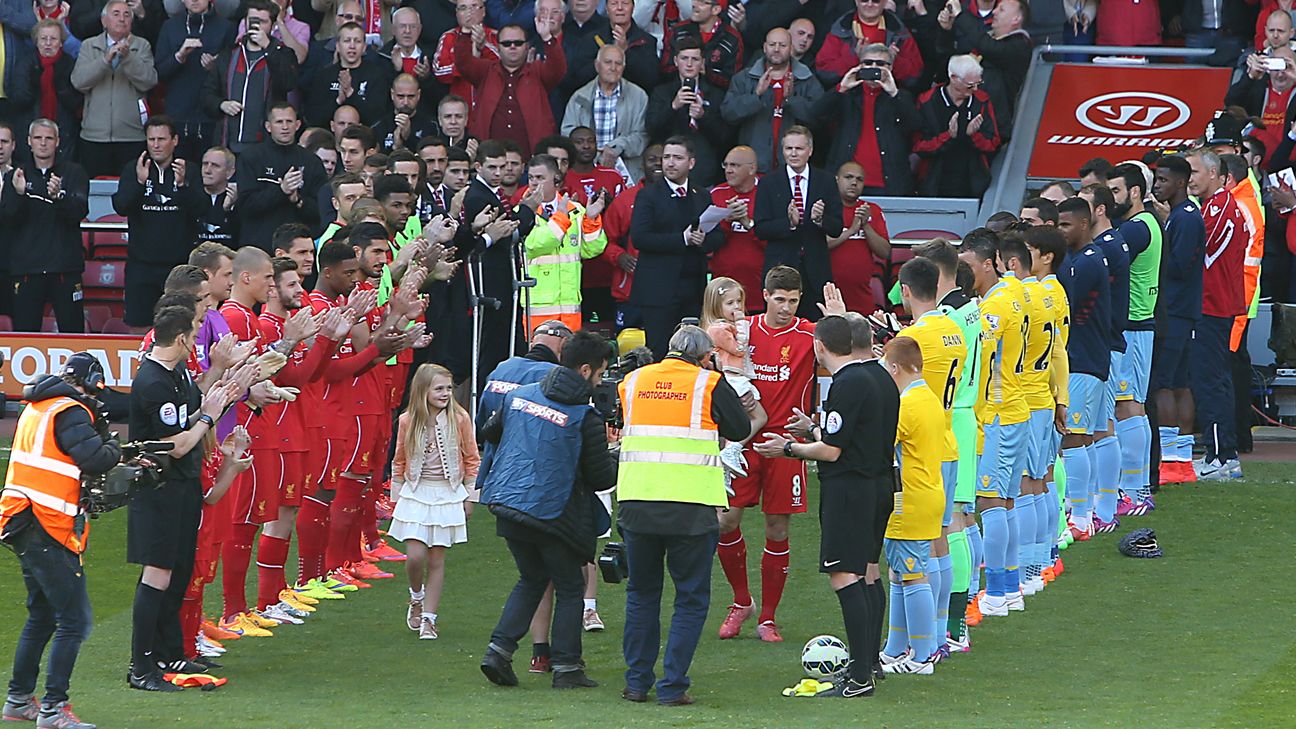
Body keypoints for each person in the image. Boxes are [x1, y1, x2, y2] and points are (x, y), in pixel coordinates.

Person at [753, 315, 900, 696]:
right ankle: (868, 663)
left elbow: (832, 451)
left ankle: (859, 678)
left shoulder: (847, 383)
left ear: (819, 346)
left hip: (850, 491)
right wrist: (814, 429)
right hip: (879, 485)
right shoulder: (880, 376)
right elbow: (853, 435)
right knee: (868, 571)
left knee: (844, 575)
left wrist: (787, 448)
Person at [617, 325, 752, 705]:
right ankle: (673, 686)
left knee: (641, 594)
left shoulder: (633, 380)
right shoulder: (708, 383)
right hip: (690, 508)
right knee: (690, 599)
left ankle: (636, 682)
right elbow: (739, 427)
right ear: (705, 355)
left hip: (637, 501)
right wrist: (719, 374)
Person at [477, 331, 617, 690]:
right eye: (600, 374)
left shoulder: (520, 395)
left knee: (532, 578)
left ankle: (499, 651)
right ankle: (568, 668)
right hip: (551, 511)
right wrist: (618, 456)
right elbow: (601, 478)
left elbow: (490, 431)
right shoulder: (584, 416)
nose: (601, 382)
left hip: (508, 502)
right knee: (571, 585)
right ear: (585, 370)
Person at [1, 354, 121, 728]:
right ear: (90, 383)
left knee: (42, 614)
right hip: (45, 522)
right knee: (74, 620)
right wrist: (113, 444)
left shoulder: (40, 405)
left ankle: (19, 700)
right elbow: (96, 458)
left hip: (22, 517)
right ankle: (54, 709)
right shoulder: (70, 411)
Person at [127, 304, 240, 691]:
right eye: (193, 335)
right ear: (180, 338)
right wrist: (209, 416)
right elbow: (173, 445)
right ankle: (140, 667)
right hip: (157, 490)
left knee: (176, 571)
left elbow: (185, 423)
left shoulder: (175, 376)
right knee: (157, 573)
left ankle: (169, 652)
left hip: (180, 487)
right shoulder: (153, 382)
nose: (196, 343)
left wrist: (212, 406)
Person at [714, 266, 817, 643]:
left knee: (777, 527)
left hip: (786, 445)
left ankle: (768, 618)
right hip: (742, 442)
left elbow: (848, 355)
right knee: (726, 521)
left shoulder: (809, 335)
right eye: (779, 299)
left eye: (793, 300)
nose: (786, 307)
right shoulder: (742, 331)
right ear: (765, 296)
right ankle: (741, 601)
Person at [891, 258, 966, 663]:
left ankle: (925, 643)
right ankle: (939, 635)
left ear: (905, 291)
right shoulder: (954, 328)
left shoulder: (915, 336)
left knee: (916, 550)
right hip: (950, 439)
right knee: (940, 541)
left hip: (920, 450)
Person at [958, 228, 1030, 618]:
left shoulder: (994, 306)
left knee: (990, 501)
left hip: (999, 412)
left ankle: (1000, 591)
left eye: (967, 266)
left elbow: (975, 347)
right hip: (1014, 407)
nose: (962, 274)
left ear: (989, 263)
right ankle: (1010, 587)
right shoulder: (1014, 291)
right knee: (1005, 499)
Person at [391, 364, 479, 640]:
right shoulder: (408, 420)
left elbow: (472, 459)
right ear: (423, 390)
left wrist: (469, 496)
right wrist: (396, 494)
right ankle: (416, 596)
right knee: (415, 556)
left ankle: (429, 618)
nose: (445, 394)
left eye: (448, 389)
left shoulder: (460, 418)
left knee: (437, 558)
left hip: (447, 493)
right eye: (439, 388)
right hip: (417, 492)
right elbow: (399, 459)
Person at [627, 136, 724, 359]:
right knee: (660, 351)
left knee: (693, 351)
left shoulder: (701, 195)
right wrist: (681, 239)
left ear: (691, 163)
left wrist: (703, 241)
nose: (670, 163)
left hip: (693, 288)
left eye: (677, 158)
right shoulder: (648, 194)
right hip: (659, 290)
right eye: (667, 157)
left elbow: (717, 236)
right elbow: (640, 237)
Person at [1187, 148, 1248, 478]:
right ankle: (1223, 453)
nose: (1190, 178)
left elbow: (1203, 254)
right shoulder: (1218, 206)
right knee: (1217, 380)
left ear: (1213, 173)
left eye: (1194, 171)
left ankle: (1220, 457)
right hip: (1218, 303)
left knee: (1210, 380)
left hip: (1212, 305)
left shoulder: (1219, 208)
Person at [113, 116, 205, 332]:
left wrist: (183, 187)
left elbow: (202, 210)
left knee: (182, 327)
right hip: (141, 265)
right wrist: (139, 183)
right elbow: (120, 206)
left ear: (175, 140)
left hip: (178, 267)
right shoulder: (134, 169)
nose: (156, 144)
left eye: (161, 139)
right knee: (139, 326)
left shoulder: (189, 170)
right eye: (151, 139)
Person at [1055, 195, 1112, 542]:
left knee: (1074, 439)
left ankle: (1081, 515)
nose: (1061, 231)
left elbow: (1070, 313)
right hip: (1087, 361)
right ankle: (1084, 509)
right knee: (1083, 439)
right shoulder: (1079, 259)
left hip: (1083, 361)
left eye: (1065, 225)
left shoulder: (1087, 263)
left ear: (1083, 223)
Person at [0, 119, 89, 333]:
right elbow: (8, 218)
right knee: (25, 334)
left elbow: (80, 212)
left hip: (65, 269)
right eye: (38, 138)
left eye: (48, 138)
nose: (43, 143)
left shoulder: (74, 173)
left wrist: (59, 197)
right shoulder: (16, 175)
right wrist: (19, 195)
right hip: (27, 270)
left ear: (57, 142)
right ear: (29, 141)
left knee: (72, 333)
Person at [1106, 162, 1161, 510]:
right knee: (1130, 406)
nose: (1112, 198)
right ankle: (1136, 488)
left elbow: (1107, 259)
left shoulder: (1136, 230)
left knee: (1129, 406)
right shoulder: (1145, 224)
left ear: (1135, 192)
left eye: (1116, 191)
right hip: (1137, 325)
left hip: (1134, 325)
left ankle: (1136, 490)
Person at [1077, 184, 1130, 533]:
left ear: (1096, 212)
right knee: (1098, 427)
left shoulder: (1104, 250)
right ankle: (1102, 508)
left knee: (1099, 427)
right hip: (1105, 346)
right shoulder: (1105, 248)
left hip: (1104, 346)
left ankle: (1104, 507)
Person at [1149, 155, 1204, 484]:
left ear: (1181, 183)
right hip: (1184, 311)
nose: (1158, 185)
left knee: (1164, 385)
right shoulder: (1182, 216)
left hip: (1174, 311)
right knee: (1181, 383)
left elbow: (1179, 267)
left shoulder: (1184, 219)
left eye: (1163, 180)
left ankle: (1170, 459)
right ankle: (1182, 461)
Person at [753, 125, 843, 320]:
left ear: (810, 151)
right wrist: (789, 224)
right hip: (780, 269)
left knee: (816, 329)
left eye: (799, 149)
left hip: (816, 272)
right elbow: (760, 228)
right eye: (788, 149)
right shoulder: (769, 182)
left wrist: (820, 220)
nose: (793, 153)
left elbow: (836, 226)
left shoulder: (826, 181)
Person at [814, 44, 920, 196]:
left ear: (890, 68)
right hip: (848, 184)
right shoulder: (847, 95)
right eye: (868, 63)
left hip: (889, 183)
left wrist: (894, 93)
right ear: (859, 65)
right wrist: (841, 88)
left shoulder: (900, 96)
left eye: (881, 64)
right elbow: (815, 115)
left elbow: (915, 125)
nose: (874, 68)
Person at [69, 0, 157, 177]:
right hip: (95, 136)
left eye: (126, 15)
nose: (122, 19)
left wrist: (128, 58)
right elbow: (79, 82)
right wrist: (105, 60)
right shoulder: (89, 45)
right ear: (104, 21)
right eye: (116, 14)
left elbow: (149, 81)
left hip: (131, 135)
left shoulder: (142, 46)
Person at [521, 153, 608, 333]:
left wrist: (591, 220)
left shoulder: (575, 210)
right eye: (531, 178)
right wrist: (561, 219)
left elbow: (591, 250)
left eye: (540, 178)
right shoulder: (522, 212)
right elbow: (532, 246)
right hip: (538, 308)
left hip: (569, 307)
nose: (534, 183)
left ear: (556, 180)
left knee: (569, 359)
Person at [455, 16, 565, 155]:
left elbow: (558, 69)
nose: (512, 47)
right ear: (498, 47)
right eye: (506, 44)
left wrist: (547, 38)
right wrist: (465, 32)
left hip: (532, 157)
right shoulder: (485, 70)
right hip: (490, 157)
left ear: (527, 46)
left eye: (518, 43)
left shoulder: (537, 72)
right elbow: (463, 63)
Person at [201, 0, 300, 154]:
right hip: (228, 143)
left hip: (264, 146)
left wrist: (268, 47)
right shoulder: (229, 53)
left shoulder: (283, 53)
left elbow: (288, 83)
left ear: (273, 25)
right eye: (252, 20)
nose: (256, 25)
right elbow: (207, 93)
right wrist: (221, 104)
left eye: (262, 21)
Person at [721, 28, 822, 175]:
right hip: (754, 168)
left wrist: (790, 99)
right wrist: (756, 95)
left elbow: (819, 117)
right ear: (764, 47)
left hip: (793, 169)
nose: (776, 49)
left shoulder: (806, 79)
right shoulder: (744, 78)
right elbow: (728, 113)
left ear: (791, 48)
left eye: (782, 45)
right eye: (772, 44)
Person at [701, 277, 769, 476]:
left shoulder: (721, 327)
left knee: (746, 417)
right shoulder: (718, 329)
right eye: (730, 303)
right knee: (760, 416)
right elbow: (739, 348)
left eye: (739, 301)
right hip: (732, 379)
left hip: (736, 378)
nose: (737, 307)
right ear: (716, 305)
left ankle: (726, 468)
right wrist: (742, 323)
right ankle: (732, 449)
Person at [238, 102, 328, 251]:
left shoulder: (311, 161)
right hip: (259, 245)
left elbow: (321, 210)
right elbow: (246, 205)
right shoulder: (251, 157)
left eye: (289, 121)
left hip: (297, 248)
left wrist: (298, 200)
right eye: (279, 122)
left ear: (298, 124)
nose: (285, 127)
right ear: (268, 126)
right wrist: (281, 191)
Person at [154, 0, 236, 160]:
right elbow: (159, 73)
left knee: (210, 175)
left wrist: (216, 67)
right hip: (177, 116)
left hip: (211, 118)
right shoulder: (170, 26)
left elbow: (233, 75)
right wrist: (179, 57)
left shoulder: (226, 27)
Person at [914, 54, 1001, 198]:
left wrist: (973, 135)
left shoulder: (982, 100)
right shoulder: (927, 101)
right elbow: (919, 145)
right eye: (970, 85)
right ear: (953, 78)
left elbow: (994, 142)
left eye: (978, 83)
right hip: (935, 180)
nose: (975, 89)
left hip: (973, 180)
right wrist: (948, 136)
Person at [942, 0, 1032, 137]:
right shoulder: (989, 38)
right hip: (966, 115)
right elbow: (949, 60)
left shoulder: (1019, 45)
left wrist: (961, 16)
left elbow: (989, 48)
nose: (994, 12)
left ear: (1016, 19)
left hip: (993, 126)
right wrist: (946, 31)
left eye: (1001, 10)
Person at [646, 36, 727, 187]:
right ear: (676, 61)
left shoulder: (716, 94)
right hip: (671, 172)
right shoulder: (661, 92)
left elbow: (724, 137)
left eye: (695, 59)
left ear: (702, 62)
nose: (689, 64)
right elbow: (652, 129)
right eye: (684, 58)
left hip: (705, 171)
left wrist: (703, 116)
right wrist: (673, 107)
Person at [560, 45, 649, 183]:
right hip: (586, 171)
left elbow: (642, 136)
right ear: (597, 66)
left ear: (623, 68)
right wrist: (592, 153)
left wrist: (615, 148)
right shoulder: (579, 96)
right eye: (608, 62)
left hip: (627, 171)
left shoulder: (638, 96)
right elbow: (567, 133)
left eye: (618, 63)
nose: (613, 68)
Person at [829, 161, 891, 313]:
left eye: (859, 179)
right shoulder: (826, 207)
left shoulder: (872, 210)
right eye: (848, 177)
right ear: (837, 179)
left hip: (861, 295)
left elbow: (885, 252)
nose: (854, 183)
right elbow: (820, 244)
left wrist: (866, 225)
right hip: (829, 294)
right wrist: (850, 231)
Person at [818, 0, 922, 88]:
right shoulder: (841, 29)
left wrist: (894, 61)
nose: (870, 4)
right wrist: (854, 57)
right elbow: (824, 72)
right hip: (849, 97)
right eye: (864, 0)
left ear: (885, 2)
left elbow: (916, 75)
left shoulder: (899, 31)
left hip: (887, 98)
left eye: (876, 0)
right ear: (856, 1)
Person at [708, 146, 763, 307]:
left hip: (759, 286)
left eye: (735, 165)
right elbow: (706, 241)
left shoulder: (768, 192)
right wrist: (727, 221)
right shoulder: (716, 194)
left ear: (752, 168)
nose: (729, 170)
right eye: (726, 165)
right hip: (724, 286)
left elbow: (776, 239)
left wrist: (747, 223)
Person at [659, 0, 744, 90]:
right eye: (694, 0)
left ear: (715, 9)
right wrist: (685, 69)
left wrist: (707, 72)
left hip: (716, 99)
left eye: (702, 2)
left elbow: (733, 82)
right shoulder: (678, 31)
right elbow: (664, 70)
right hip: (676, 92)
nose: (694, 4)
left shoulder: (732, 38)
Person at [30, 19, 82, 163]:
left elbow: (76, 101)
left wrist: (61, 87)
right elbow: (19, 97)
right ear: (36, 42)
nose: (48, 43)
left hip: (65, 129)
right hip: (33, 125)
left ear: (61, 43)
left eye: (53, 39)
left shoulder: (70, 64)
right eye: (43, 39)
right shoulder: (28, 63)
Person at [434, 0, 498, 109]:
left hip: (491, 105)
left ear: (483, 11)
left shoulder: (495, 36)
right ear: (457, 13)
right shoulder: (448, 37)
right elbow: (439, 71)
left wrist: (484, 46)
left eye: (474, 7)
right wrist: (466, 65)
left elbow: (504, 64)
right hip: (460, 110)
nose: (469, 12)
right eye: (463, 8)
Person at [372, 73, 438, 152]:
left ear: (418, 95)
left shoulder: (431, 125)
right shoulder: (379, 127)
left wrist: (408, 138)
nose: (406, 102)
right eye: (400, 97)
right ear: (392, 95)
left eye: (411, 96)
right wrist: (396, 147)